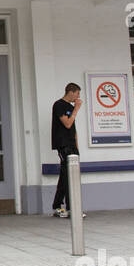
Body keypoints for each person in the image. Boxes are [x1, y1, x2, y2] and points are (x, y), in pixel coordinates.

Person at [51, 82, 83, 219]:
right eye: (77, 94)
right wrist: (76, 109)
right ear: (71, 92)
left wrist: (77, 147)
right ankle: (72, 208)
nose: (78, 97)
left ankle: (57, 205)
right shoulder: (59, 105)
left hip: (71, 145)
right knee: (69, 176)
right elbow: (67, 123)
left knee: (65, 176)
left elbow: (73, 128)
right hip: (63, 145)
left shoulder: (70, 107)